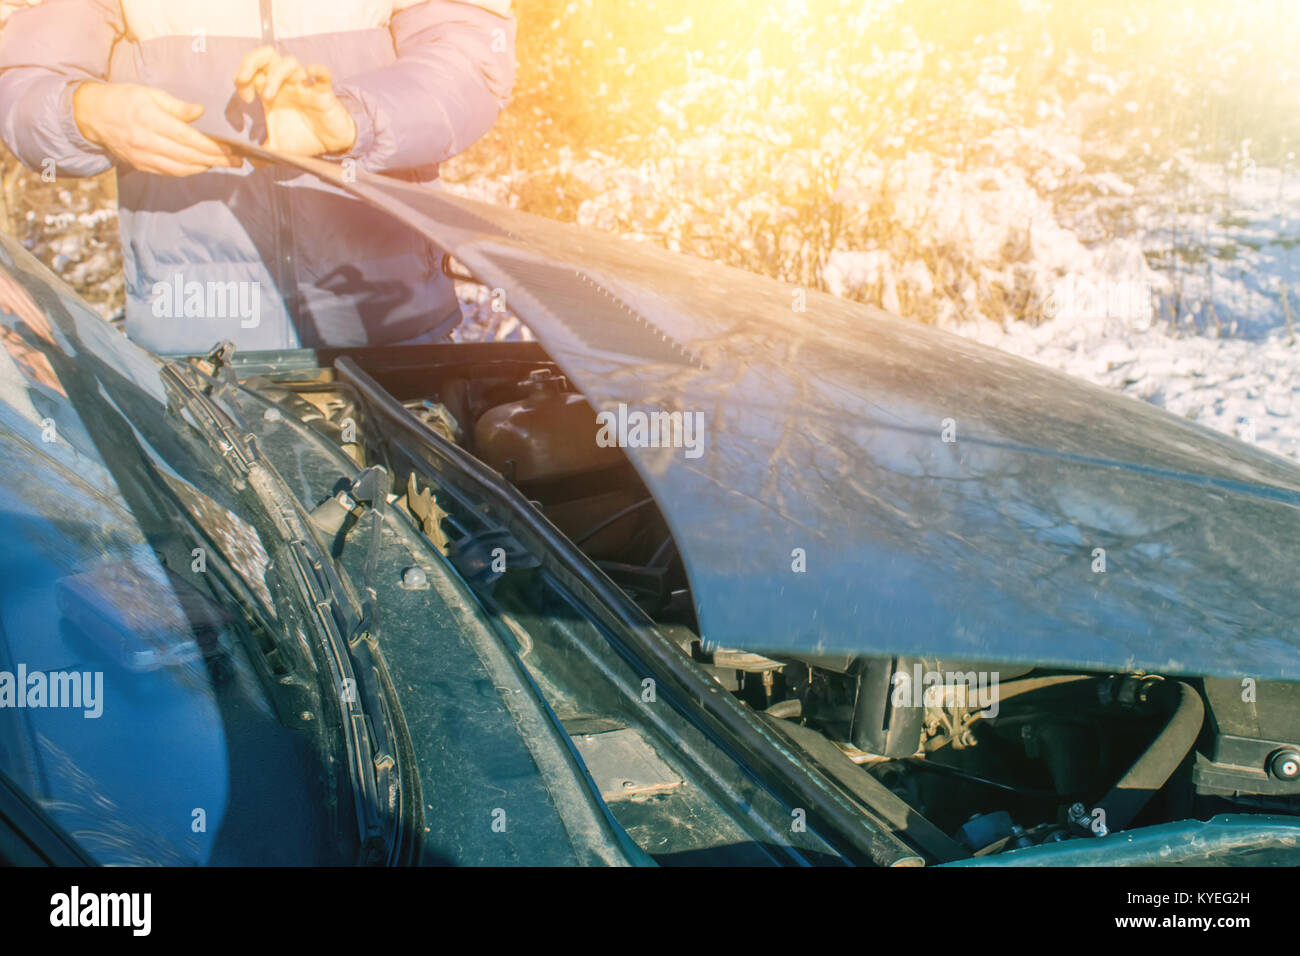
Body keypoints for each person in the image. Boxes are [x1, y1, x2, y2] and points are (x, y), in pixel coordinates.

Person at [0, 0, 516, 354]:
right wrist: (86, 112)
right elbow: (22, 79)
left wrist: (356, 117)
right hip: (194, 358)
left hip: (395, 340)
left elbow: (471, 62)